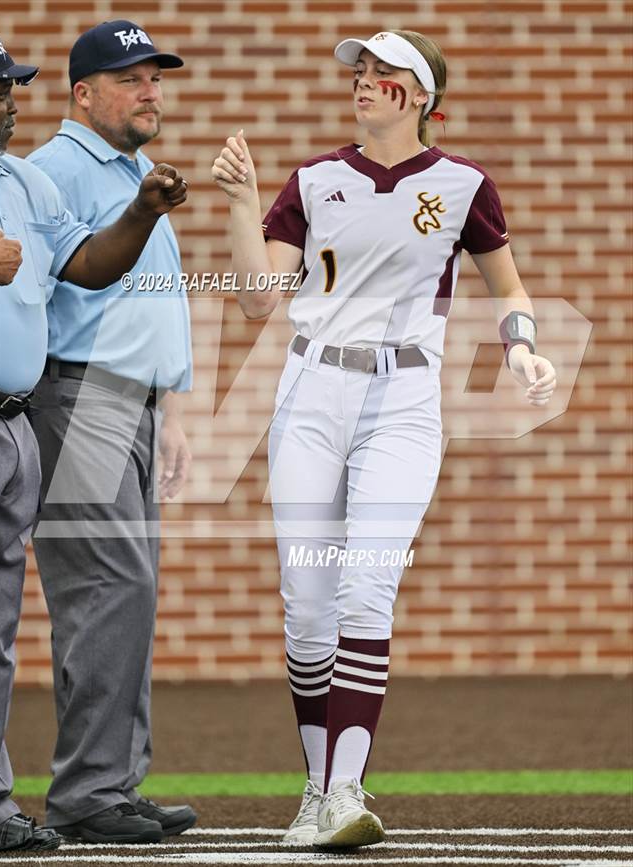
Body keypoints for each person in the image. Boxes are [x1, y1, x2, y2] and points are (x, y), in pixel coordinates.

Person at [213, 29, 557, 848]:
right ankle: (315, 789)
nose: (363, 82)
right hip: (310, 392)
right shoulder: (314, 180)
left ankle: (345, 790)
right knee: (307, 607)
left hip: (404, 398)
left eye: (382, 72)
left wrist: (521, 347)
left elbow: (509, 289)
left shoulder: (466, 184)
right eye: (359, 71)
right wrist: (241, 202)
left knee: (367, 589)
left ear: (421, 95)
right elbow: (259, 300)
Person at [0, 33, 188, 853]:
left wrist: (166, 406)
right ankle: (91, 787)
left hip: (117, 399)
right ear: (84, 93)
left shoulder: (60, 177)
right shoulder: (61, 167)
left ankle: (108, 783)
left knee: (125, 594)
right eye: (129, 79)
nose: (149, 92)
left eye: (154, 80)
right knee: (108, 589)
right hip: (81, 394)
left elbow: (118, 287)